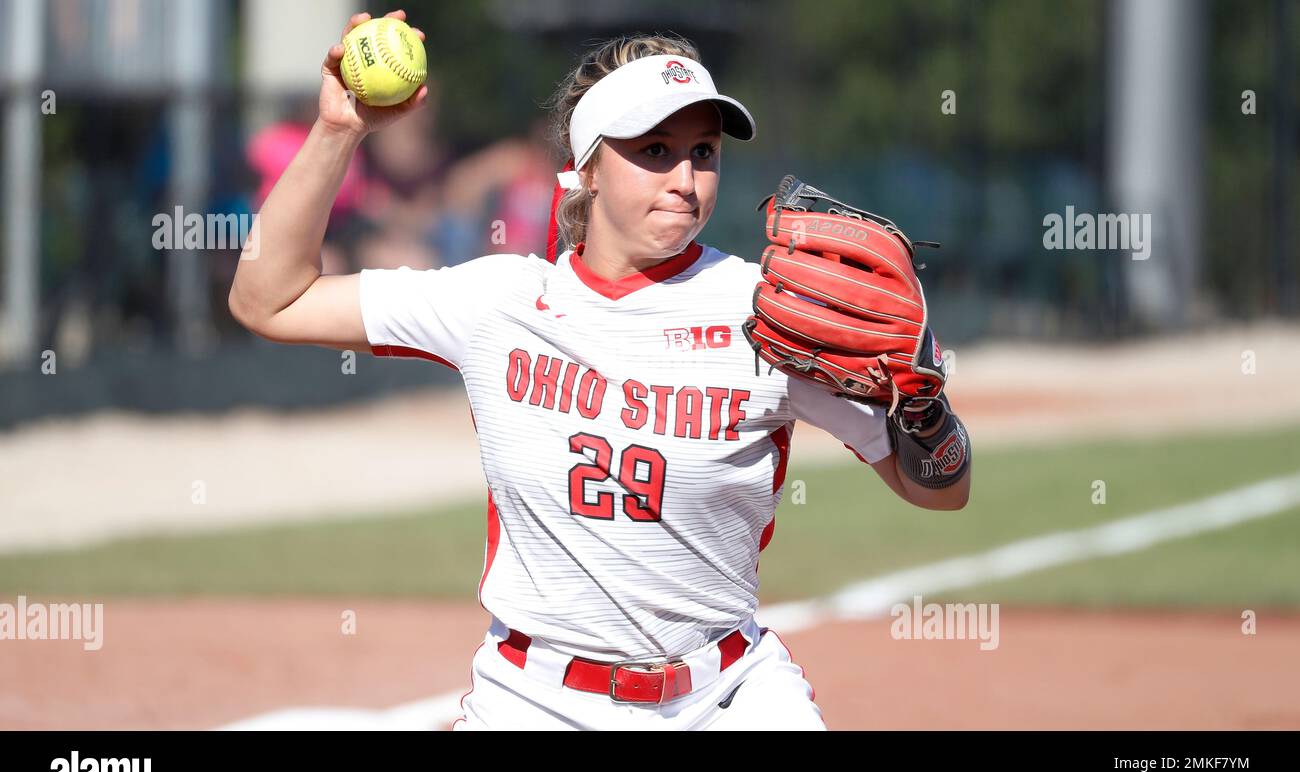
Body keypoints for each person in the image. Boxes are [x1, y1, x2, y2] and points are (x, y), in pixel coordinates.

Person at [228, 10, 971, 731]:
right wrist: (337, 131)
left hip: (726, 695)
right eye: (654, 150)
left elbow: (940, 489)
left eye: (703, 152)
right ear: (584, 169)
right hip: (534, 700)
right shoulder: (500, 300)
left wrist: (922, 402)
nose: (685, 176)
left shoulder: (768, 311)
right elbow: (270, 299)